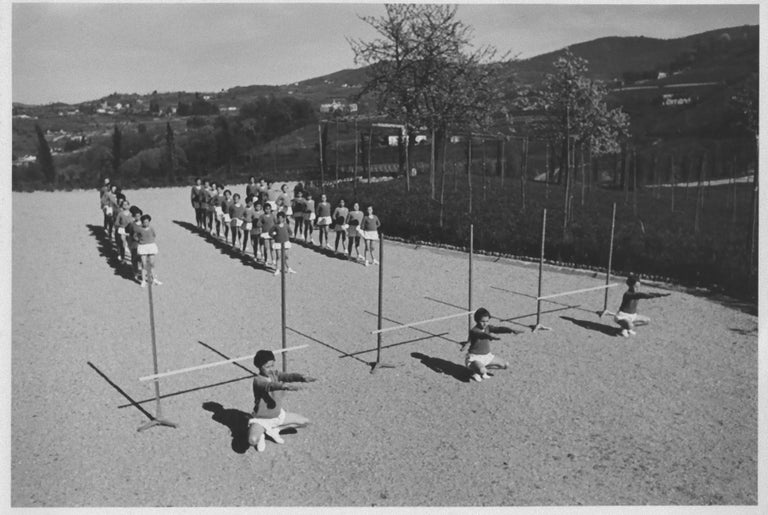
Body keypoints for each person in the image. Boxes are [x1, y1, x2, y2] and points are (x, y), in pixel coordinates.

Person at [247, 350, 315, 452]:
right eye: (267, 367)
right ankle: (261, 434)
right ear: (259, 366)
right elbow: (269, 386)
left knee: (306, 422)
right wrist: (283, 386)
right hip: (262, 419)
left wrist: (301, 378)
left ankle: (275, 430)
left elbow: (288, 376)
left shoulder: (275, 374)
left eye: (272, 365)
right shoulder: (258, 380)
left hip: (277, 415)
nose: (270, 369)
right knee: (252, 440)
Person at [461, 307, 515, 382]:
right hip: (475, 357)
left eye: (487, 321)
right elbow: (480, 335)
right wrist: (489, 337)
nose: (485, 324)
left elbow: (498, 329)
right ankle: (474, 371)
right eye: (482, 321)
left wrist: (510, 330)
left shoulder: (488, 327)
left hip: (487, 356)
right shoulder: (473, 331)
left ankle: (481, 369)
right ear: (477, 320)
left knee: (506, 365)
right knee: (482, 370)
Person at [133, 213, 162, 287]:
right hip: (143, 247)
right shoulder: (139, 229)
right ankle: (143, 280)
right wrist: (139, 240)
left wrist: (150, 241)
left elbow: (154, 235)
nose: (146, 223)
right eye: (145, 222)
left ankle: (155, 279)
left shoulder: (151, 228)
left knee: (152, 264)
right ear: (142, 222)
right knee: (144, 264)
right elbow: (135, 236)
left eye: (147, 222)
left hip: (151, 246)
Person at [125, 206, 144, 281]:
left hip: (143, 243)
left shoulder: (144, 223)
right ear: (133, 216)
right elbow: (128, 231)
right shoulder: (132, 224)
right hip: (134, 243)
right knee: (135, 258)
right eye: (136, 216)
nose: (138, 217)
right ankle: (136, 272)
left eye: (139, 215)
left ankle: (142, 272)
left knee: (143, 258)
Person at [258, 202, 277, 267]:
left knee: (272, 247)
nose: (267, 210)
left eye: (269, 209)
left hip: (272, 233)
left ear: (271, 209)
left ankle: (273, 260)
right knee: (266, 248)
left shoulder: (273, 216)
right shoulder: (262, 216)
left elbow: (276, 223)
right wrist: (260, 225)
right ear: (264, 209)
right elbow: (259, 224)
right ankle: (266, 260)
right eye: (266, 209)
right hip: (265, 233)